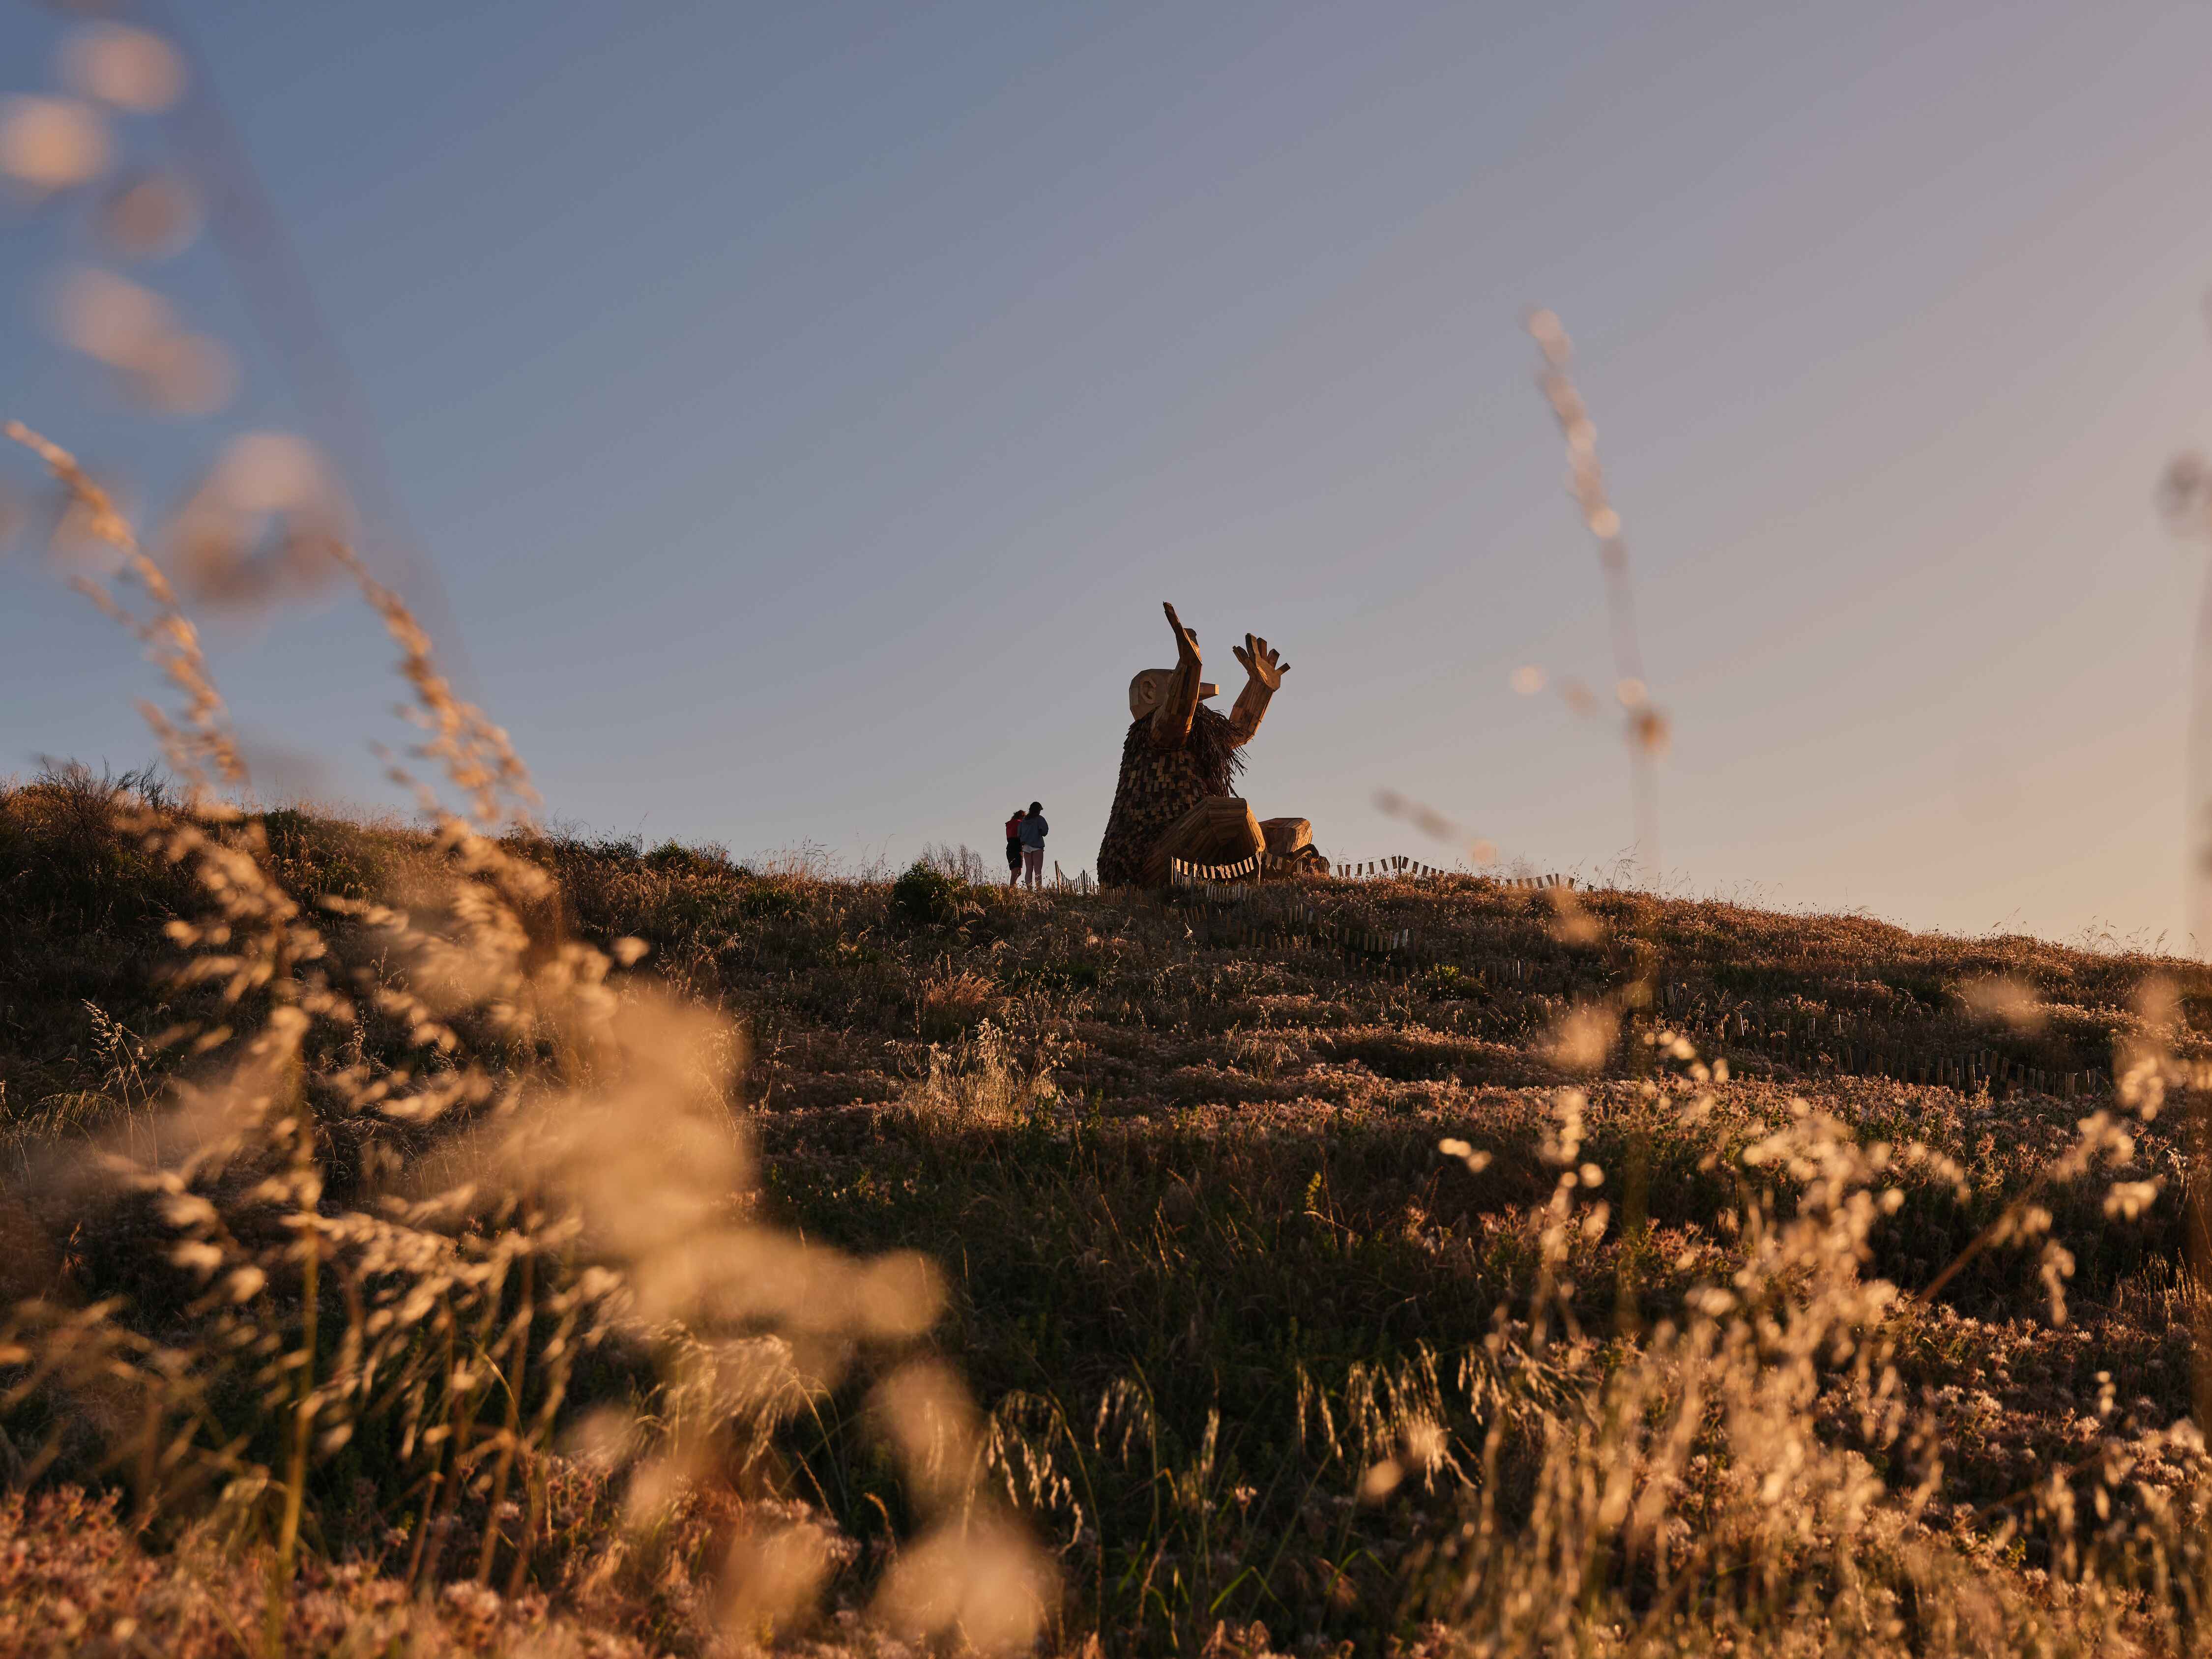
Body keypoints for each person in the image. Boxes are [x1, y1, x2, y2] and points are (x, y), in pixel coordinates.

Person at [1018, 801, 1048, 888]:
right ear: (1038, 810)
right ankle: (1039, 890)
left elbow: (1019, 834)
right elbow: (1045, 831)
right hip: (1037, 846)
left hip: (1026, 847)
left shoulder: (1024, 821)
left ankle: (1029, 890)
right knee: (1038, 870)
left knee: (1029, 870)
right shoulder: (1040, 819)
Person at [1004, 806, 1026, 885]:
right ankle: (1011, 888)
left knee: (1017, 872)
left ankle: (1013, 887)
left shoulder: (1009, 824)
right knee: (1016, 871)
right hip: (1017, 849)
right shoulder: (1020, 823)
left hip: (1010, 849)